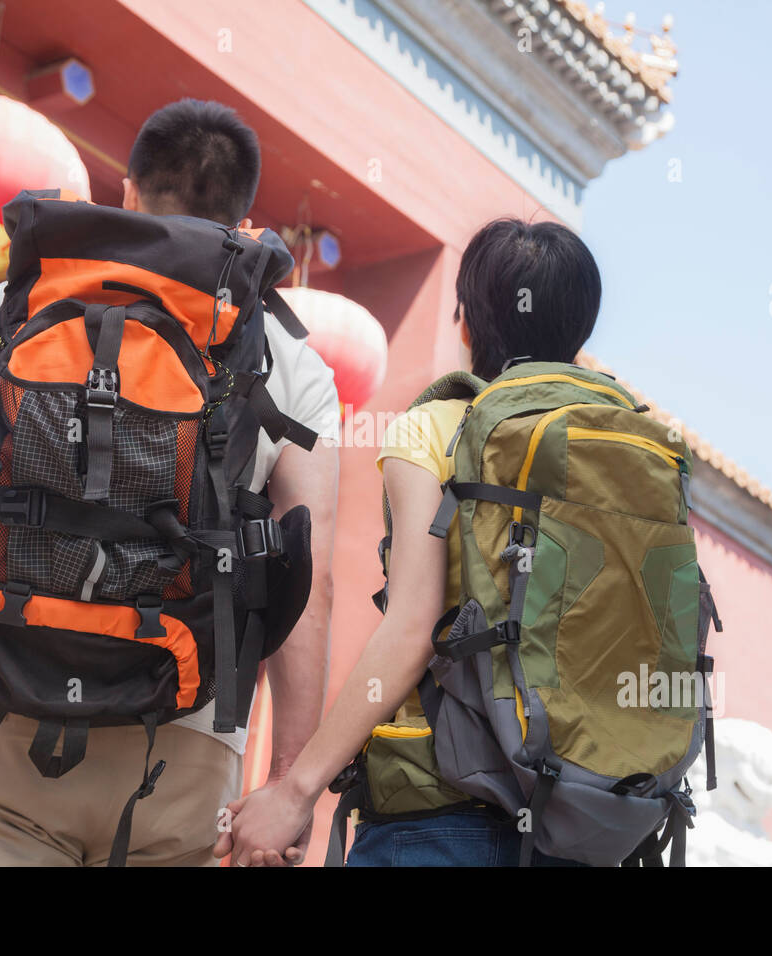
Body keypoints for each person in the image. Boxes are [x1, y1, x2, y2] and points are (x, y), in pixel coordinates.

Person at [0, 99, 340, 866]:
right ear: (244, 213)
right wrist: (286, 785)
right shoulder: (286, 357)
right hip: (182, 748)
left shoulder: (13, 306)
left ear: (130, 189)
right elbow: (312, 582)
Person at [216, 217, 602, 867]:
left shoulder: (439, 427)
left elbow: (413, 626)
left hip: (440, 809)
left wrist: (295, 790)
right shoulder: (615, 453)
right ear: (581, 332)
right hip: (586, 819)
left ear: (466, 323)